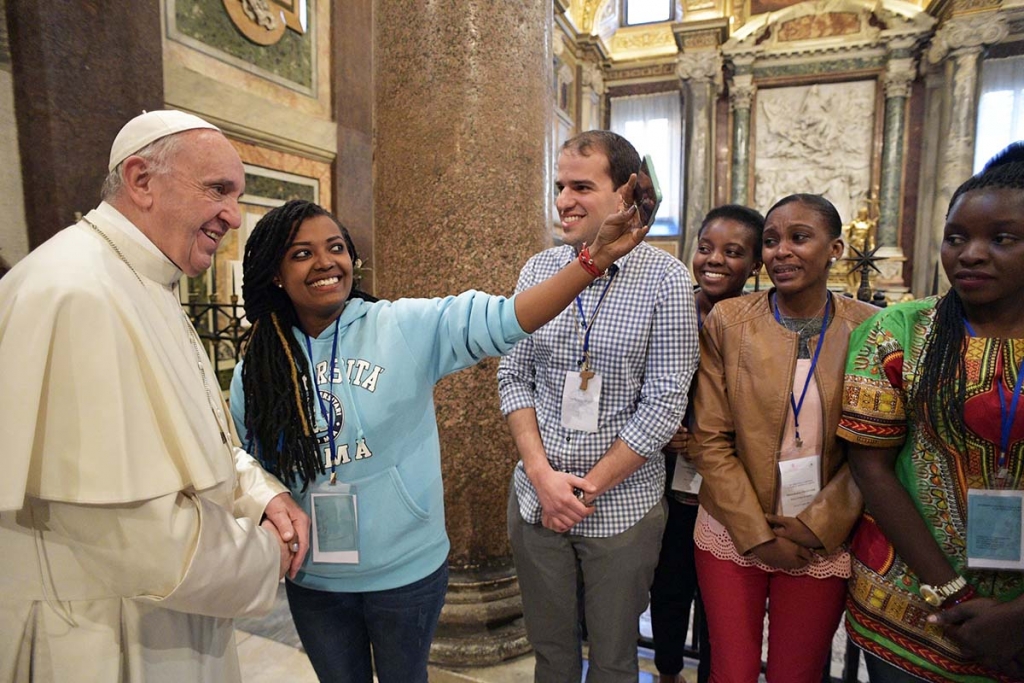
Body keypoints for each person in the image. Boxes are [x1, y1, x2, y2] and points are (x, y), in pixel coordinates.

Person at [229, 192, 648, 683]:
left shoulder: (401, 325)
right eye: (302, 254)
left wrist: (592, 262)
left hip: (404, 571)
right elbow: (247, 466)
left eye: (336, 248)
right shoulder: (258, 367)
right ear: (275, 273)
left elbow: (508, 318)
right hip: (314, 576)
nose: (326, 263)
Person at [0, 110, 308, 682]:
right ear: (141, 180)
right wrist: (266, 553)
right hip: (104, 638)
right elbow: (135, 538)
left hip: (167, 618)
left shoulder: (146, 280)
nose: (234, 217)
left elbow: (198, 440)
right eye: (218, 190)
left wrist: (261, 494)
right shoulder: (76, 294)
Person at [499, 130, 698, 682]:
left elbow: (663, 403)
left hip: (620, 510)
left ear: (625, 195)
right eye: (559, 185)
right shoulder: (539, 272)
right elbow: (513, 375)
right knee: (552, 654)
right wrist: (542, 477)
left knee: (613, 659)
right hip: (537, 500)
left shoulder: (666, 279)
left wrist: (585, 488)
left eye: (581, 186)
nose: (563, 200)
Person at [839, 143, 1024, 682]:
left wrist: (1015, 620)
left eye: (1002, 239)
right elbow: (870, 465)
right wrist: (952, 594)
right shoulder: (898, 332)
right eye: (957, 238)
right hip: (910, 603)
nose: (971, 254)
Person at [688, 193, 875, 682]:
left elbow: (874, 445)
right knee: (733, 669)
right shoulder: (728, 322)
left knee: (799, 672)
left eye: (799, 238)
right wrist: (756, 535)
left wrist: (821, 524)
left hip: (820, 535)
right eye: (770, 241)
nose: (780, 252)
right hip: (732, 528)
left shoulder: (870, 328)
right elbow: (709, 438)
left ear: (835, 248)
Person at [652, 204, 764, 683]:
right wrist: (664, 430)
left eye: (733, 252)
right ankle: (668, 669)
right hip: (669, 478)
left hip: (730, 481)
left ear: (755, 265)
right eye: (705, 248)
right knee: (670, 585)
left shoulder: (760, 323)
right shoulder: (674, 310)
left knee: (723, 600)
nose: (714, 260)